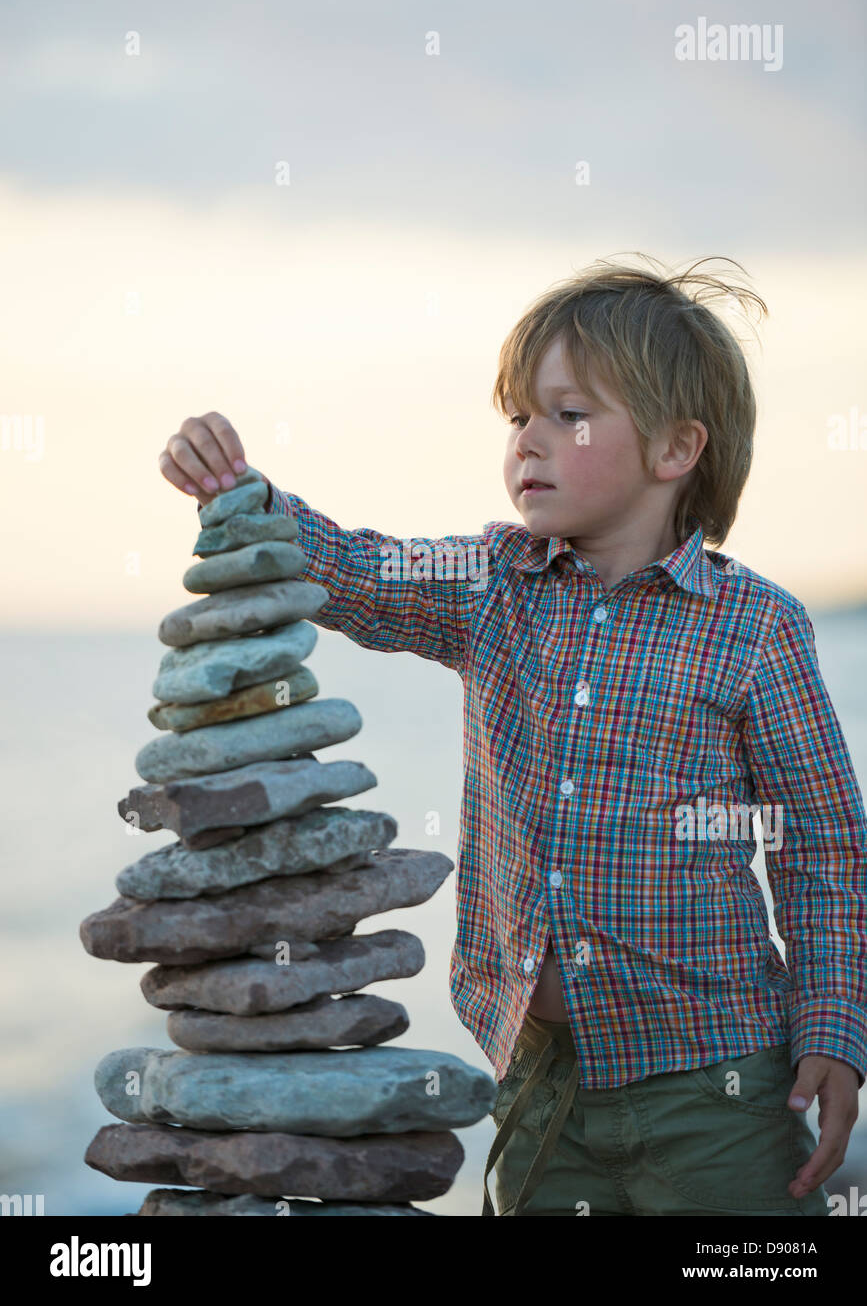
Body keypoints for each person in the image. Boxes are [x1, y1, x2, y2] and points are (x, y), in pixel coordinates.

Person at [158, 256, 865, 1216]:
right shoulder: (492, 582)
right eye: (517, 416)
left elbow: (823, 850)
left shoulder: (756, 629)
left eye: (567, 414)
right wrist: (243, 496)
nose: (528, 439)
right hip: (539, 1084)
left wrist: (832, 1031)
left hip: (720, 1087)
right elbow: (366, 573)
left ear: (674, 450)